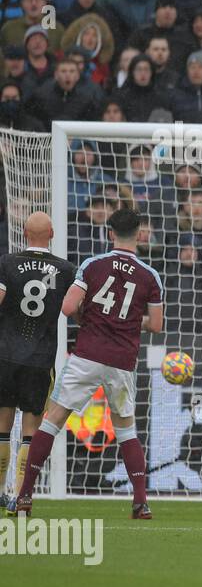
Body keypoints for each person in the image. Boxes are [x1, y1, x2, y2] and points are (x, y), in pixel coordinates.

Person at [12, 209, 163, 519]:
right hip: (122, 361)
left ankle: (25, 494)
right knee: (126, 430)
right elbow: (157, 325)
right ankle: (140, 502)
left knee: (52, 422)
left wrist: (88, 316)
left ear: (110, 234)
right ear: (139, 234)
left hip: (87, 354)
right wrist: (132, 320)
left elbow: (68, 308)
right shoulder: (150, 275)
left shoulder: (93, 265)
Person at [0, 212, 76, 505]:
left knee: (3, 426)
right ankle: (22, 496)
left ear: (23, 232)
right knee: (30, 432)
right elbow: (75, 310)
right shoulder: (67, 270)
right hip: (40, 359)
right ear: (53, 233)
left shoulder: (7, 263)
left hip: (6, 356)